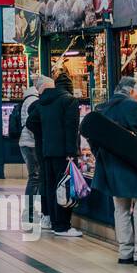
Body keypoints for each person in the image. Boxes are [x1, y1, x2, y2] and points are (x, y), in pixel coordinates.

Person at [91, 77, 137, 268]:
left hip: (111, 166)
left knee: (121, 208)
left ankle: (125, 251)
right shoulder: (132, 106)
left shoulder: (102, 107)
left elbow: (92, 137)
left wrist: (103, 156)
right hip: (134, 164)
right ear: (131, 90)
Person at [26, 70, 82, 238]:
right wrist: (72, 153)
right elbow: (71, 129)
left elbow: (31, 122)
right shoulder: (69, 101)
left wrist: (43, 137)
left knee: (51, 186)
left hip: (46, 151)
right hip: (64, 153)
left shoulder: (42, 103)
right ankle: (62, 226)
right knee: (64, 187)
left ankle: (51, 220)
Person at [17, 78, 47, 226]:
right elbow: (32, 124)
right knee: (35, 177)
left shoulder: (28, 98)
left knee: (35, 177)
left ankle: (32, 211)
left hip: (26, 142)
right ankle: (29, 212)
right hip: (31, 143)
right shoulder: (33, 101)